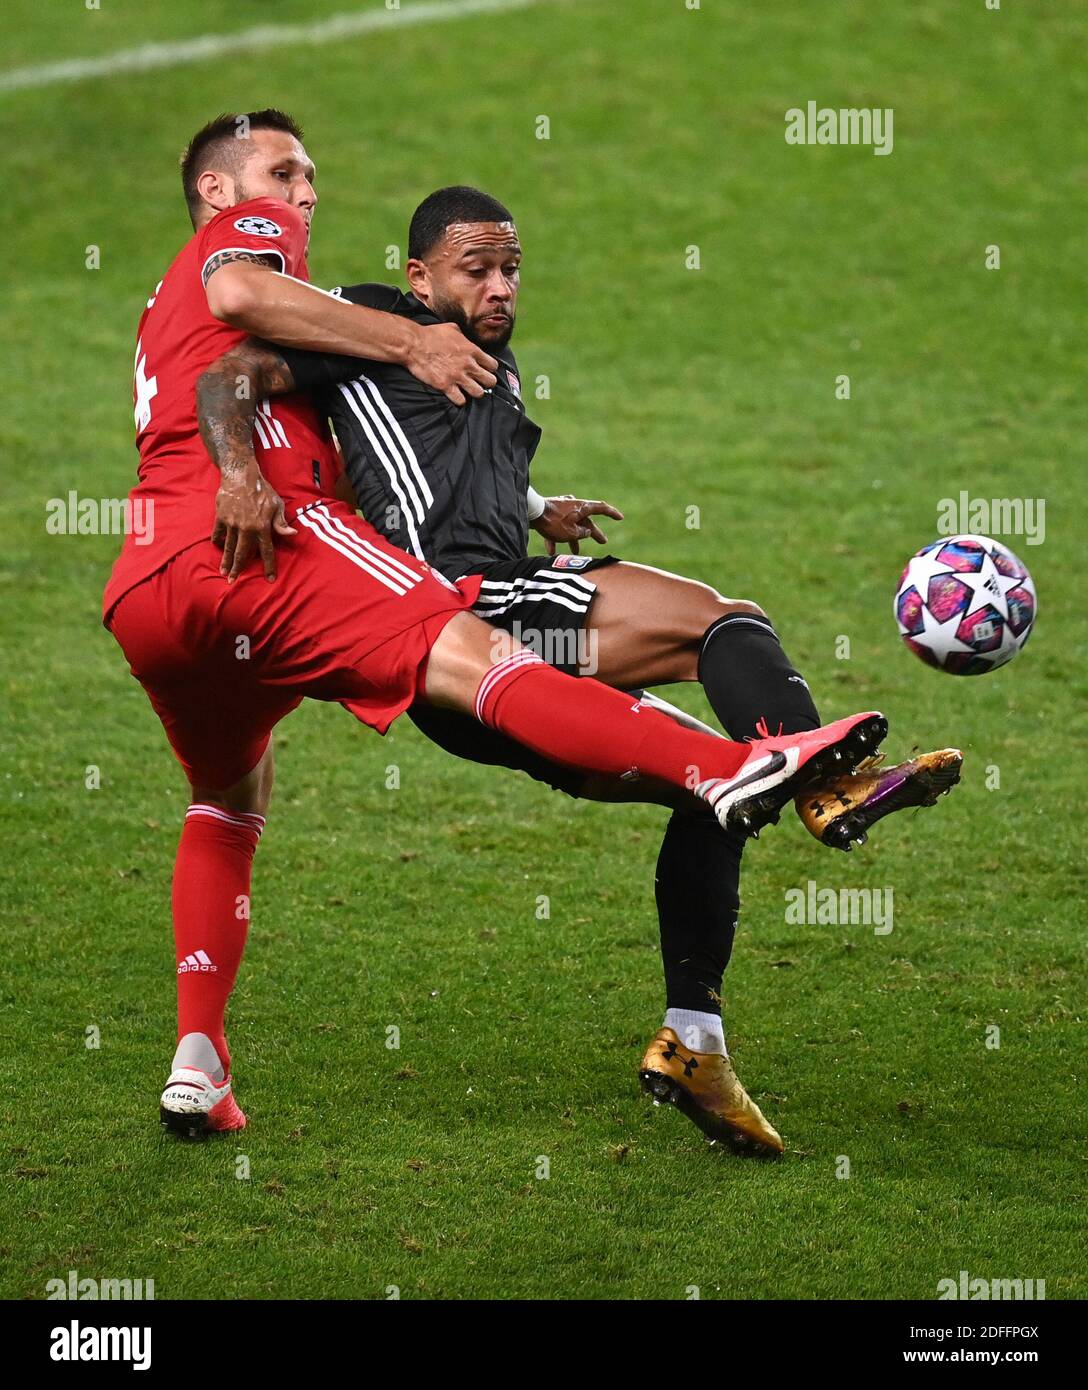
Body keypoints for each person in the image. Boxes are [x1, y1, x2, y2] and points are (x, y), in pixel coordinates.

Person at [104, 114, 886, 1146]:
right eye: (283, 171)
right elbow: (244, 315)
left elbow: (344, 426)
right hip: (259, 544)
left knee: (228, 799)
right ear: (218, 191)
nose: (304, 193)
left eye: (308, 177)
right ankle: (735, 764)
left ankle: (197, 1062)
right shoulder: (274, 261)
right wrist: (402, 343)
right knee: (475, 642)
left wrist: (530, 503)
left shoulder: (170, 311)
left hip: (150, 585)